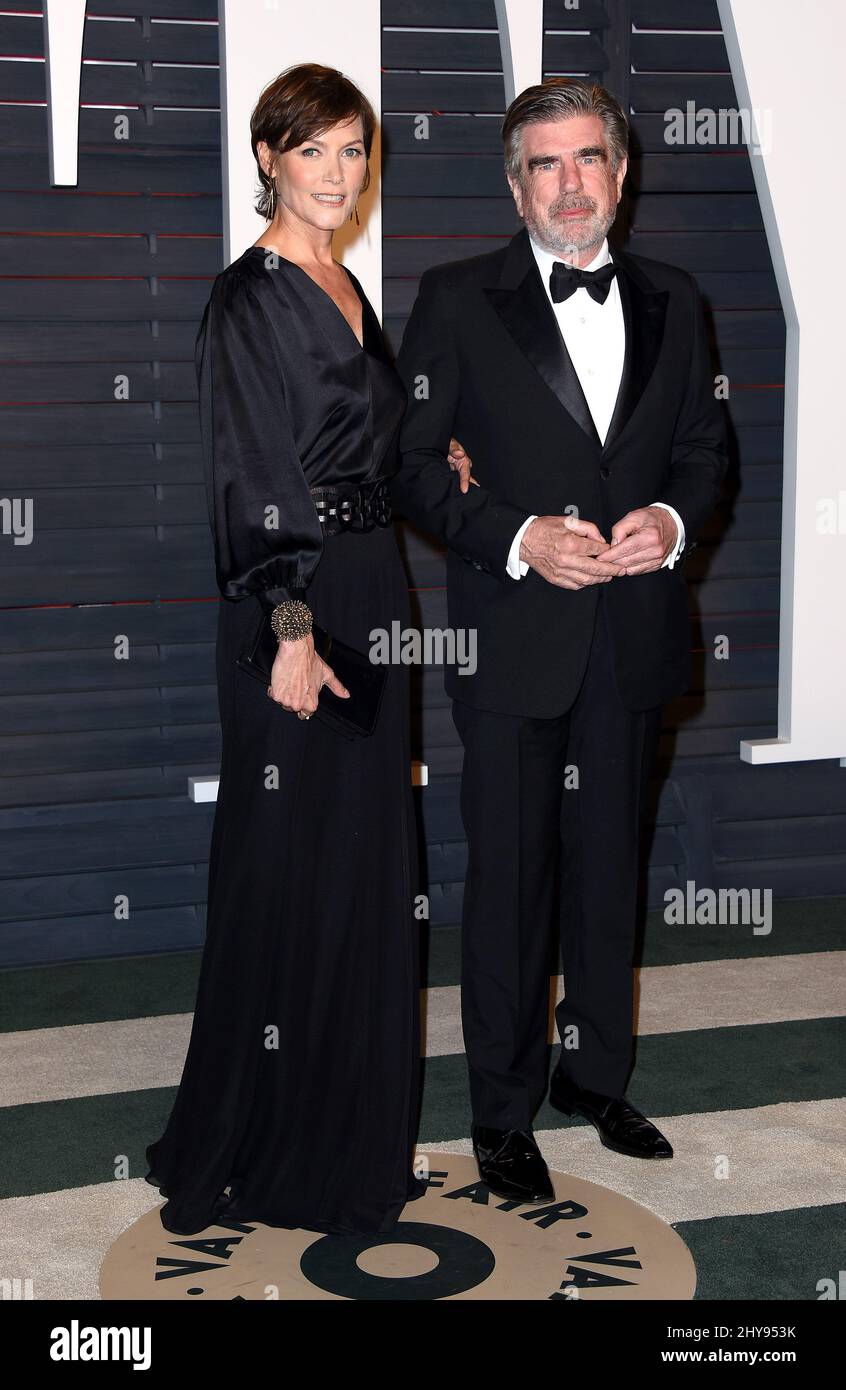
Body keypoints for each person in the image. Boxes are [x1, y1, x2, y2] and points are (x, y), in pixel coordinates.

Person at [144, 63, 472, 1237]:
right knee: (287, 869)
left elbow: (360, 446)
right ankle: (260, 1142)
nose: (338, 175)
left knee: (368, 873)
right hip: (293, 604)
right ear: (269, 159)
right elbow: (252, 473)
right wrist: (288, 627)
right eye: (314, 150)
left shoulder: (344, 283)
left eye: (354, 151)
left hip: (376, 589)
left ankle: (353, 1129)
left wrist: (436, 466)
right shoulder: (249, 299)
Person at [390, 77, 729, 1204]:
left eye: (589, 159)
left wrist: (670, 523)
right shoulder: (452, 299)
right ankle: (502, 1109)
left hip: (632, 637)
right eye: (546, 163)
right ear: (515, 182)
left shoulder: (679, 297)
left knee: (605, 876)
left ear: (622, 176)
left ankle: (596, 1077)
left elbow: (704, 453)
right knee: (511, 879)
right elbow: (407, 467)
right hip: (513, 644)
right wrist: (521, 535)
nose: (571, 183)